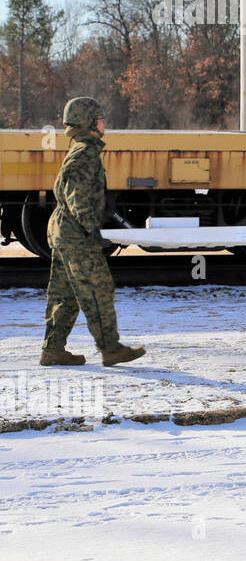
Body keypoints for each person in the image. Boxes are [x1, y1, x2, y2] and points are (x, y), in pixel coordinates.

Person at [40, 97, 145, 367]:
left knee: (65, 294)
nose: (104, 123)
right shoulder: (85, 152)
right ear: (87, 123)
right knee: (96, 290)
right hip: (75, 234)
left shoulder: (79, 150)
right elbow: (78, 197)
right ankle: (111, 350)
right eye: (100, 119)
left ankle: (53, 350)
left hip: (64, 230)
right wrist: (91, 229)